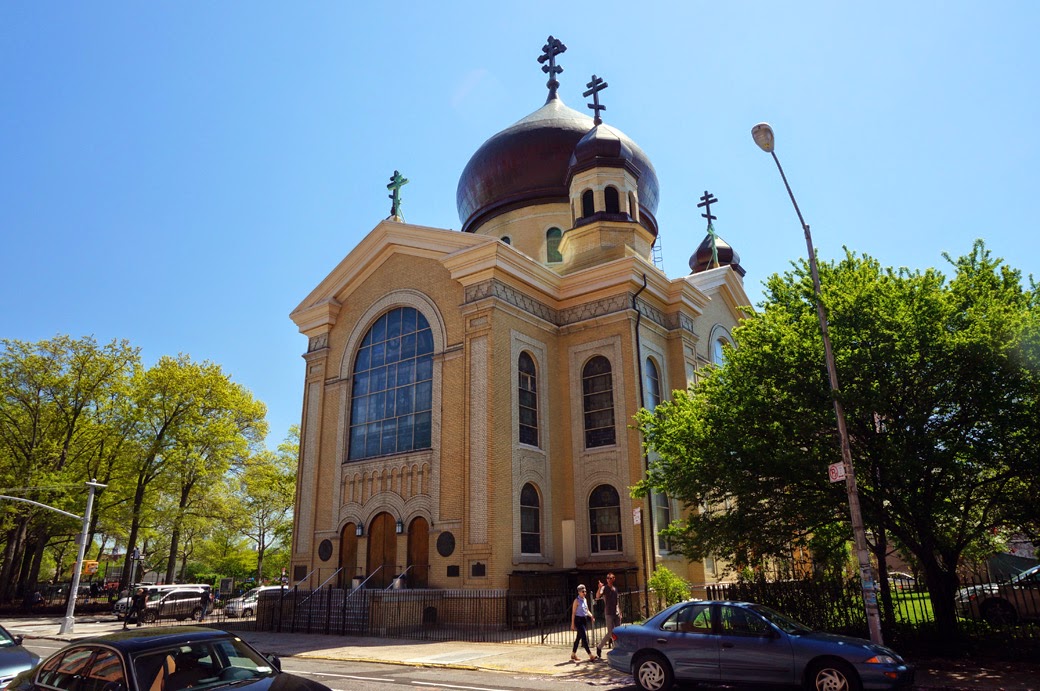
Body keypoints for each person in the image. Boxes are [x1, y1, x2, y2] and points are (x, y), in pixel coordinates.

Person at [594, 572, 621, 658]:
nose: (609, 580)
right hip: (609, 613)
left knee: (618, 632)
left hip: (616, 613)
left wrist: (620, 611)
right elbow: (597, 596)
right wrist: (599, 588)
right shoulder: (604, 588)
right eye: (607, 578)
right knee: (610, 633)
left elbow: (617, 601)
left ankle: (618, 649)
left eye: (610, 578)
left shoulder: (615, 589)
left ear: (614, 579)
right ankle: (599, 647)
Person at [569, 584, 595, 662]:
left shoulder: (585, 600)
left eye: (585, 591)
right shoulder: (576, 601)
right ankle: (590, 655)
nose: (584, 593)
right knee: (584, 637)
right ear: (579, 592)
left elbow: (586, 610)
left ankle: (573, 654)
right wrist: (572, 624)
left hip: (584, 619)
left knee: (578, 638)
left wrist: (591, 616)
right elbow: (573, 613)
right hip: (578, 620)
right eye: (583, 591)